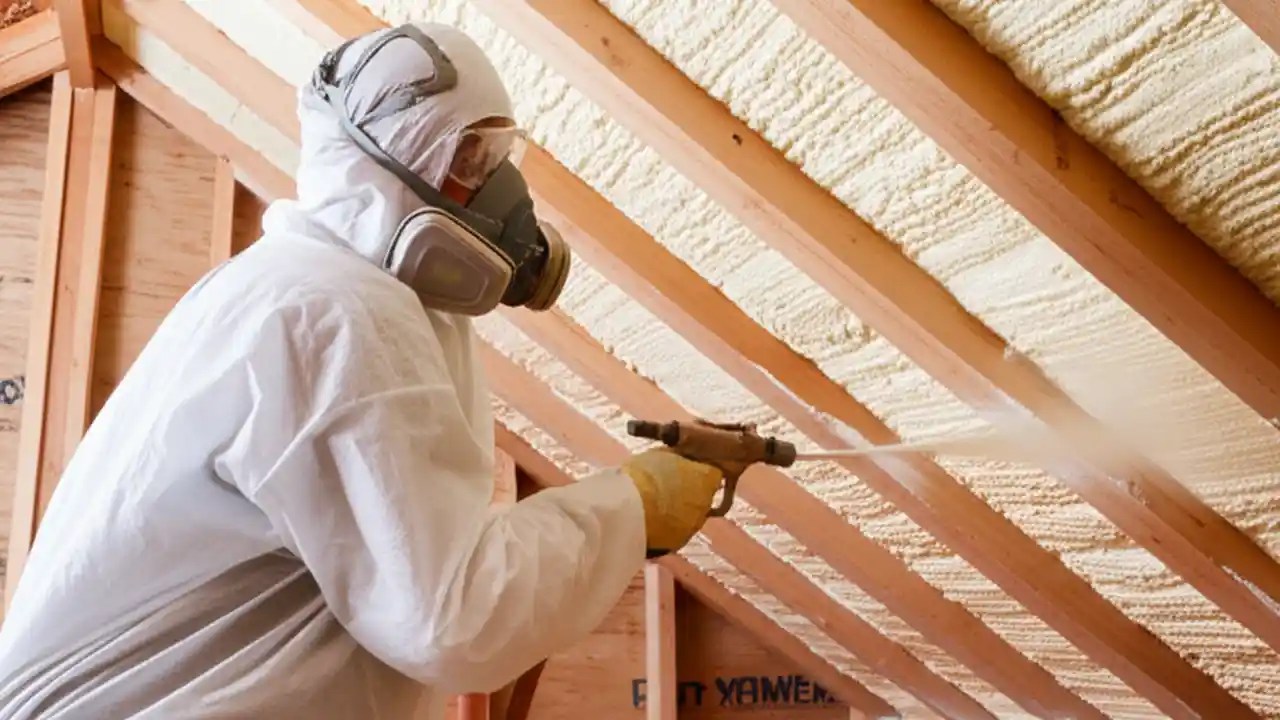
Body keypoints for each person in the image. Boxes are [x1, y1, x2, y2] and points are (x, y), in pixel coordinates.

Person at [0, 22, 724, 718]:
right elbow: (452, 616)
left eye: (499, 157)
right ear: (389, 164)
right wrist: (631, 508)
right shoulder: (337, 316)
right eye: (470, 159)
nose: (498, 191)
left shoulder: (294, 288)